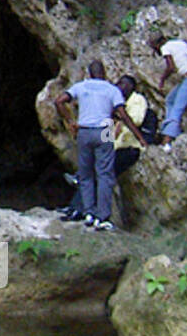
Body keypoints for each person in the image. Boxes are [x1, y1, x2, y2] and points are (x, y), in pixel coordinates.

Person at [54, 60, 148, 231]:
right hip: (104, 130)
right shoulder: (111, 89)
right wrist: (139, 137)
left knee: (86, 173)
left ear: (89, 74)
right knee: (105, 174)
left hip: (84, 131)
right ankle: (102, 217)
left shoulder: (81, 86)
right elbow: (123, 115)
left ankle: (88, 213)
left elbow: (59, 101)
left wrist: (70, 121)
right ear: (104, 73)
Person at [148, 34, 187, 151]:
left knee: (177, 108)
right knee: (170, 99)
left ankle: (167, 140)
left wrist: (162, 80)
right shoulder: (181, 43)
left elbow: (171, 67)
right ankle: (172, 130)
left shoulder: (165, 48)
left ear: (158, 45)